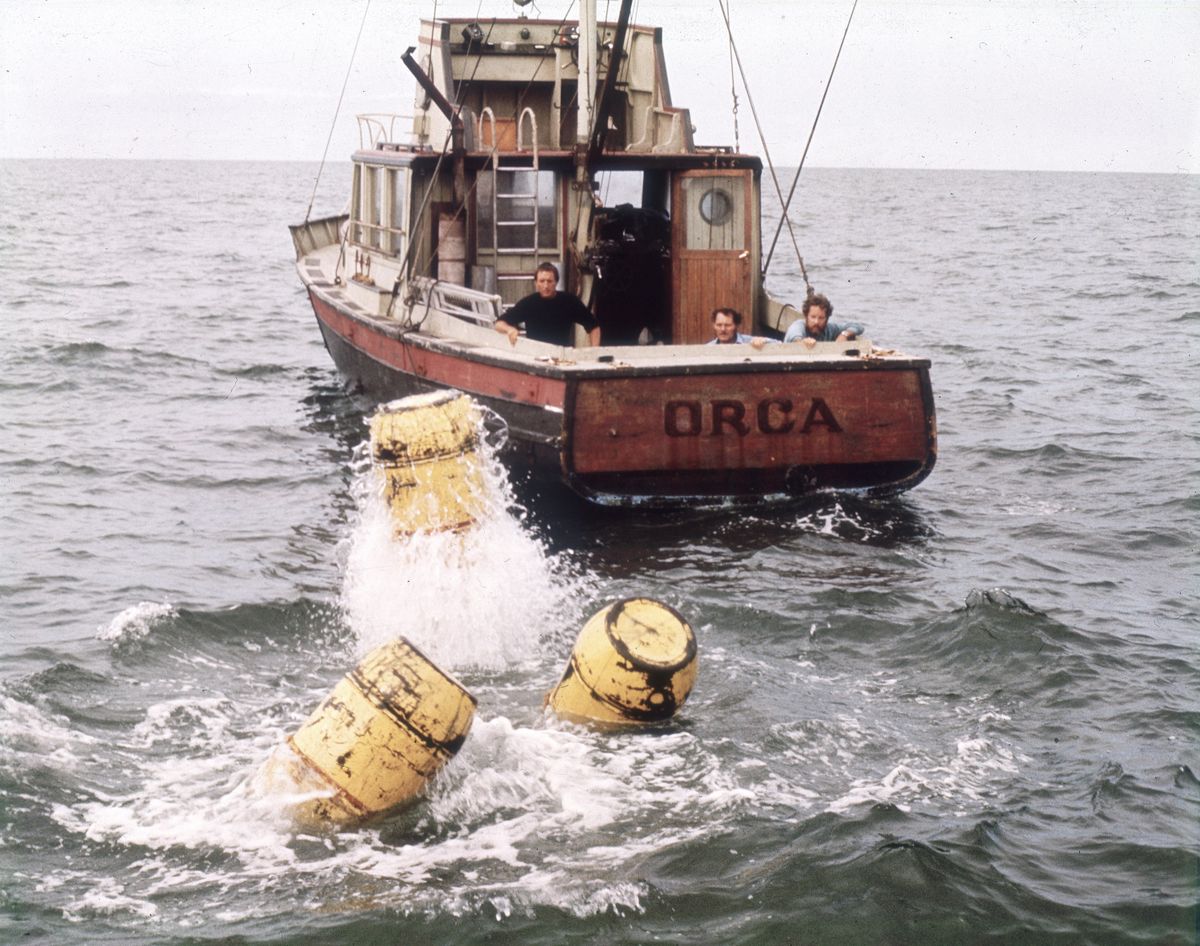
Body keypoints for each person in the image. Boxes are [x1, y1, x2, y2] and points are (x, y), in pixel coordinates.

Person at [495, 262, 600, 347]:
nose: (546, 286)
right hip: (535, 356)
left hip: (561, 357)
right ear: (536, 283)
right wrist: (510, 329)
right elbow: (499, 323)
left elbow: (594, 326)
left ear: (556, 282)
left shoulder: (569, 301)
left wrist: (594, 353)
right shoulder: (528, 303)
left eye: (550, 281)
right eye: (542, 281)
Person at [783, 293, 864, 347]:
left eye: (821, 318)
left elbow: (858, 327)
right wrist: (803, 342)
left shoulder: (830, 329)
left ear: (827, 318)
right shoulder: (798, 326)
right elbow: (795, 337)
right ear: (806, 316)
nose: (816, 322)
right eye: (813, 317)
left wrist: (844, 334)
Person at [706, 307, 774, 350]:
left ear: (736, 325)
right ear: (714, 325)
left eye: (727, 325)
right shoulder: (707, 348)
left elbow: (781, 345)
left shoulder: (749, 342)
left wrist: (763, 341)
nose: (723, 329)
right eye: (719, 325)